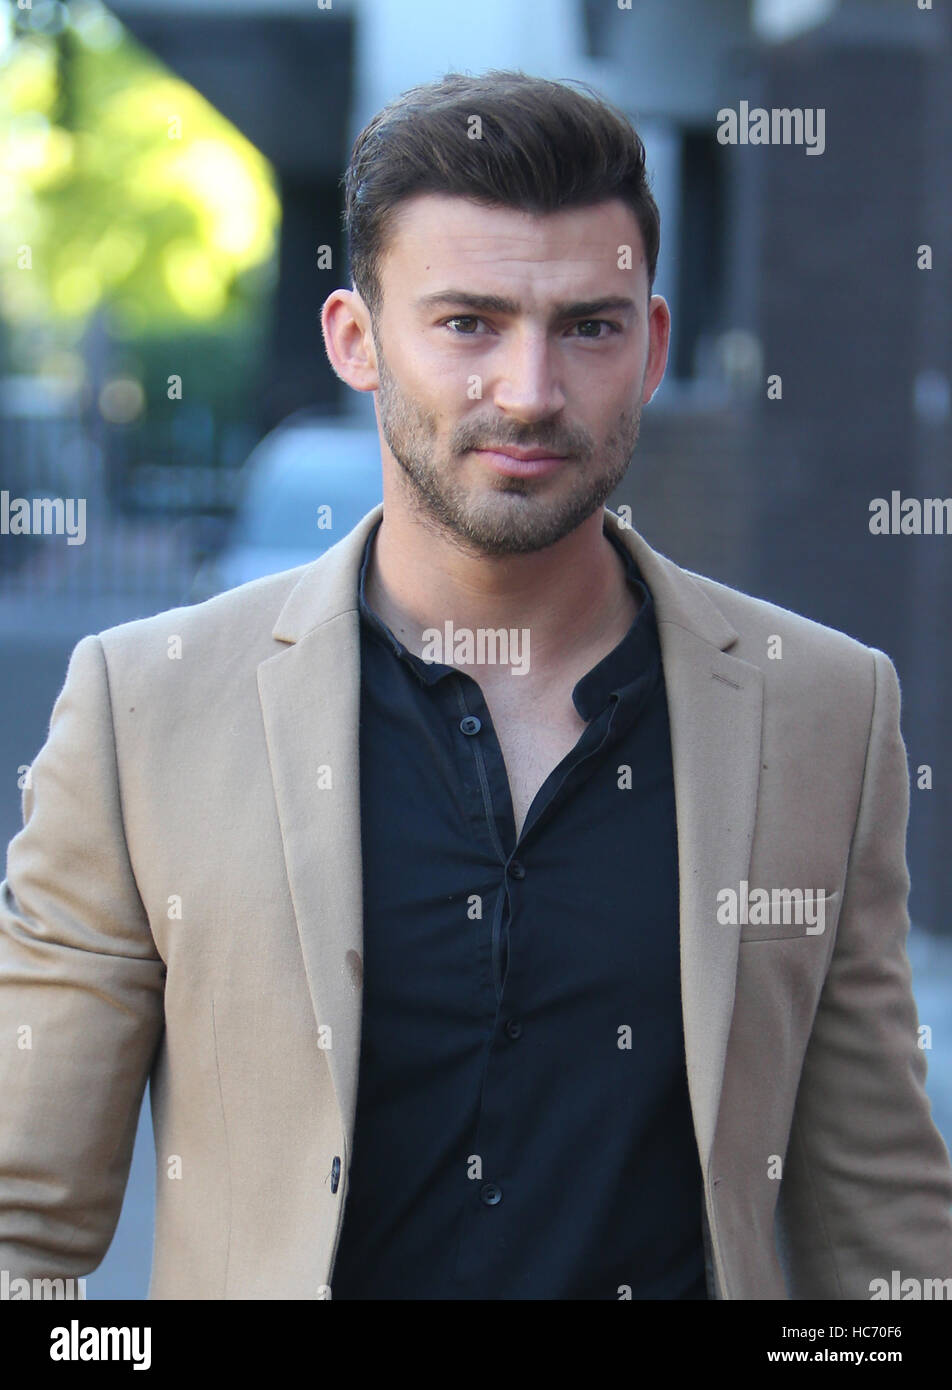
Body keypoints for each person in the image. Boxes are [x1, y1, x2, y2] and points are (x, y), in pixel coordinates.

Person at [1, 70, 951, 1302]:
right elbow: (22, 1220)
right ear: (356, 339)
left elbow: (881, 1238)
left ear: (653, 345)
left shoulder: (822, 707)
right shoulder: (147, 711)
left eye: (588, 327)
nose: (531, 392)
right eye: (466, 323)